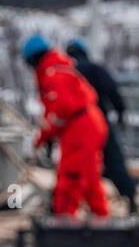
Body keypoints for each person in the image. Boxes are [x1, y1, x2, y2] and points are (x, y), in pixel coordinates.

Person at [22, 34, 109, 218]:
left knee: (71, 177)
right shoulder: (57, 70)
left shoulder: (53, 74)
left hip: (81, 130)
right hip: (87, 125)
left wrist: (41, 138)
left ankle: (63, 223)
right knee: (90, 177)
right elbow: (54, 111)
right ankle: (101, 218)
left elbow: (59, 112)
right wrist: (44, 138)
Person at [66, 38, 138, 214]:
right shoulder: (94, 68)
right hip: (98, 122)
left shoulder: (66, 70)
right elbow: (112, 89)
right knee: (113, 161)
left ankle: (69, 209)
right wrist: (120, 111)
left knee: (76, 168)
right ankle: (129, 198)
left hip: (74, 128)